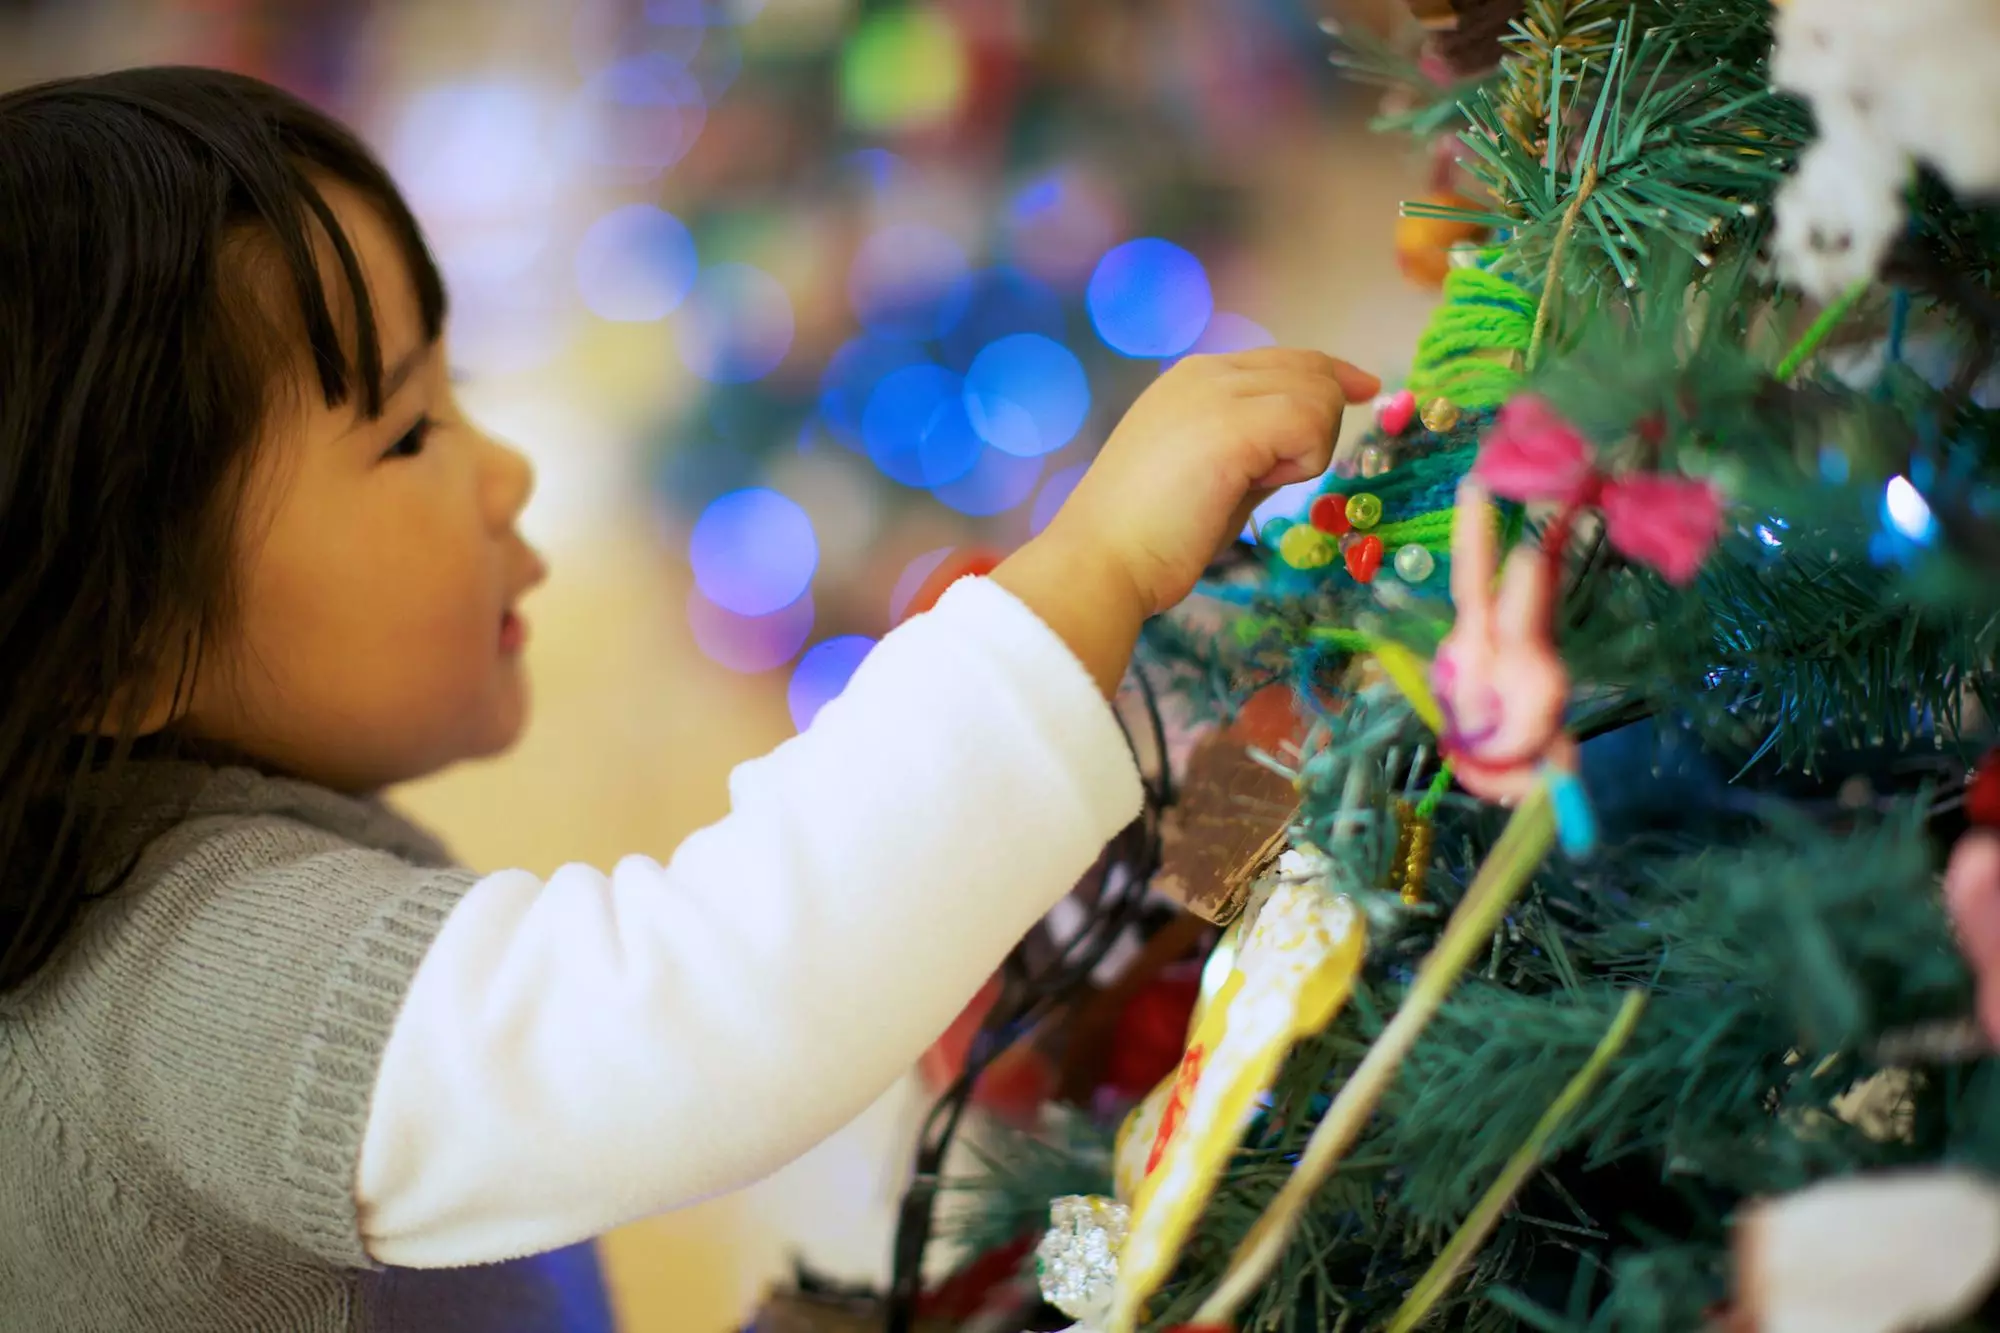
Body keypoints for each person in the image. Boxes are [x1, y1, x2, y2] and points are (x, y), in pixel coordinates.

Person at [0, 66, 1376, 1332]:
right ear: (115, 647)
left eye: (458, 384)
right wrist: (1099, 564)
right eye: (408, 430)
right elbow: (701, 1008)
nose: (506, 473)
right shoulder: (171, 984)